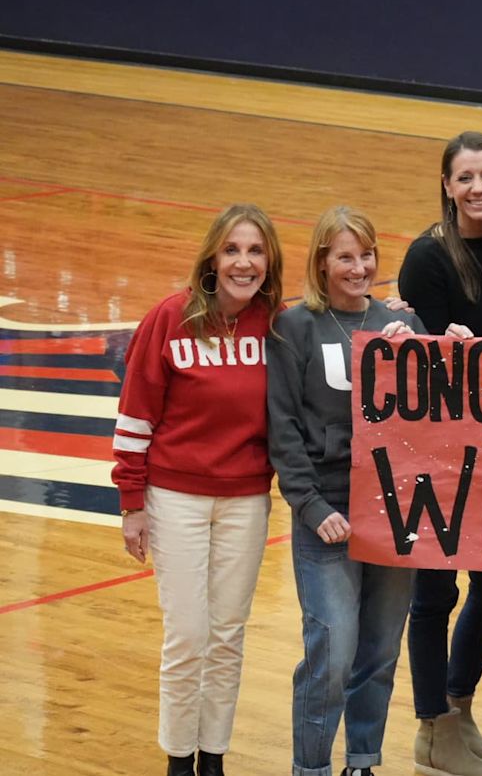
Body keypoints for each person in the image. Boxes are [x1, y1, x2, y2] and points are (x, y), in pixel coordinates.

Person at [113, 204, 284, 776]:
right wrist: (132, 504)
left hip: (246, 499)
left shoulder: (277, 324)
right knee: (187, 635)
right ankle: (178, 758)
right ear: (212, 257)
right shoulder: (170, 317)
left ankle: (213, 756)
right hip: (174, 497)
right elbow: (136, 415)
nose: (244, 262)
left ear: (269, 262)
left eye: (255, 251)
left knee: (227, 635)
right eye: (233, 250)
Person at [268, 205, 426, 776]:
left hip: (394, 515)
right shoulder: (294, 328)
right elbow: (282, 427)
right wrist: (309, 505)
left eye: (366, 255)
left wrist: (424, 353)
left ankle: (363, 760)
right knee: (331, 653)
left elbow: (437, 425)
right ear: (321, 263)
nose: (359, 268)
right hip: (327, 515)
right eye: (345, 257)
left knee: (380, 652)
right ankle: (310, 767)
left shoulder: (401, 324)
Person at [397, 131, 482, 776]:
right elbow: (419, 367)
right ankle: (431, 726)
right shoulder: (428, 256)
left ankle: (456, 706)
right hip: (441, 451)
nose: (478, 189)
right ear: (446, 185)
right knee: (434, 591)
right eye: (466, 178)